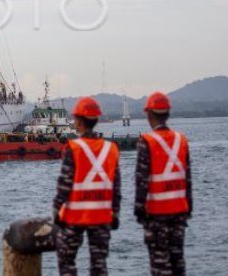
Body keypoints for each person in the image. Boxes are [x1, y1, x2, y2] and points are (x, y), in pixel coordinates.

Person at [53, 96, 121, 276]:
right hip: (102, 216)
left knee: (67, 260)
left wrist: (56, 212)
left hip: (74, 217)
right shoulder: (111, 149)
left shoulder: (72, 148)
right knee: (99, 265)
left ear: (79, 121)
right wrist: (115, 213)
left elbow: (64, 185)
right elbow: (116, 188)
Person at [135, 92, 192, 276]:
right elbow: (187, 179)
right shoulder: (181, 140)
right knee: (178, 261)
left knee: (160, 264)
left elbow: (141, 181)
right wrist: (187, 209)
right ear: (168, 114)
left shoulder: (147, 141)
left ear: (149, 114)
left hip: (156, 215)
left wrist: (139, 211)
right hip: (179, 213)